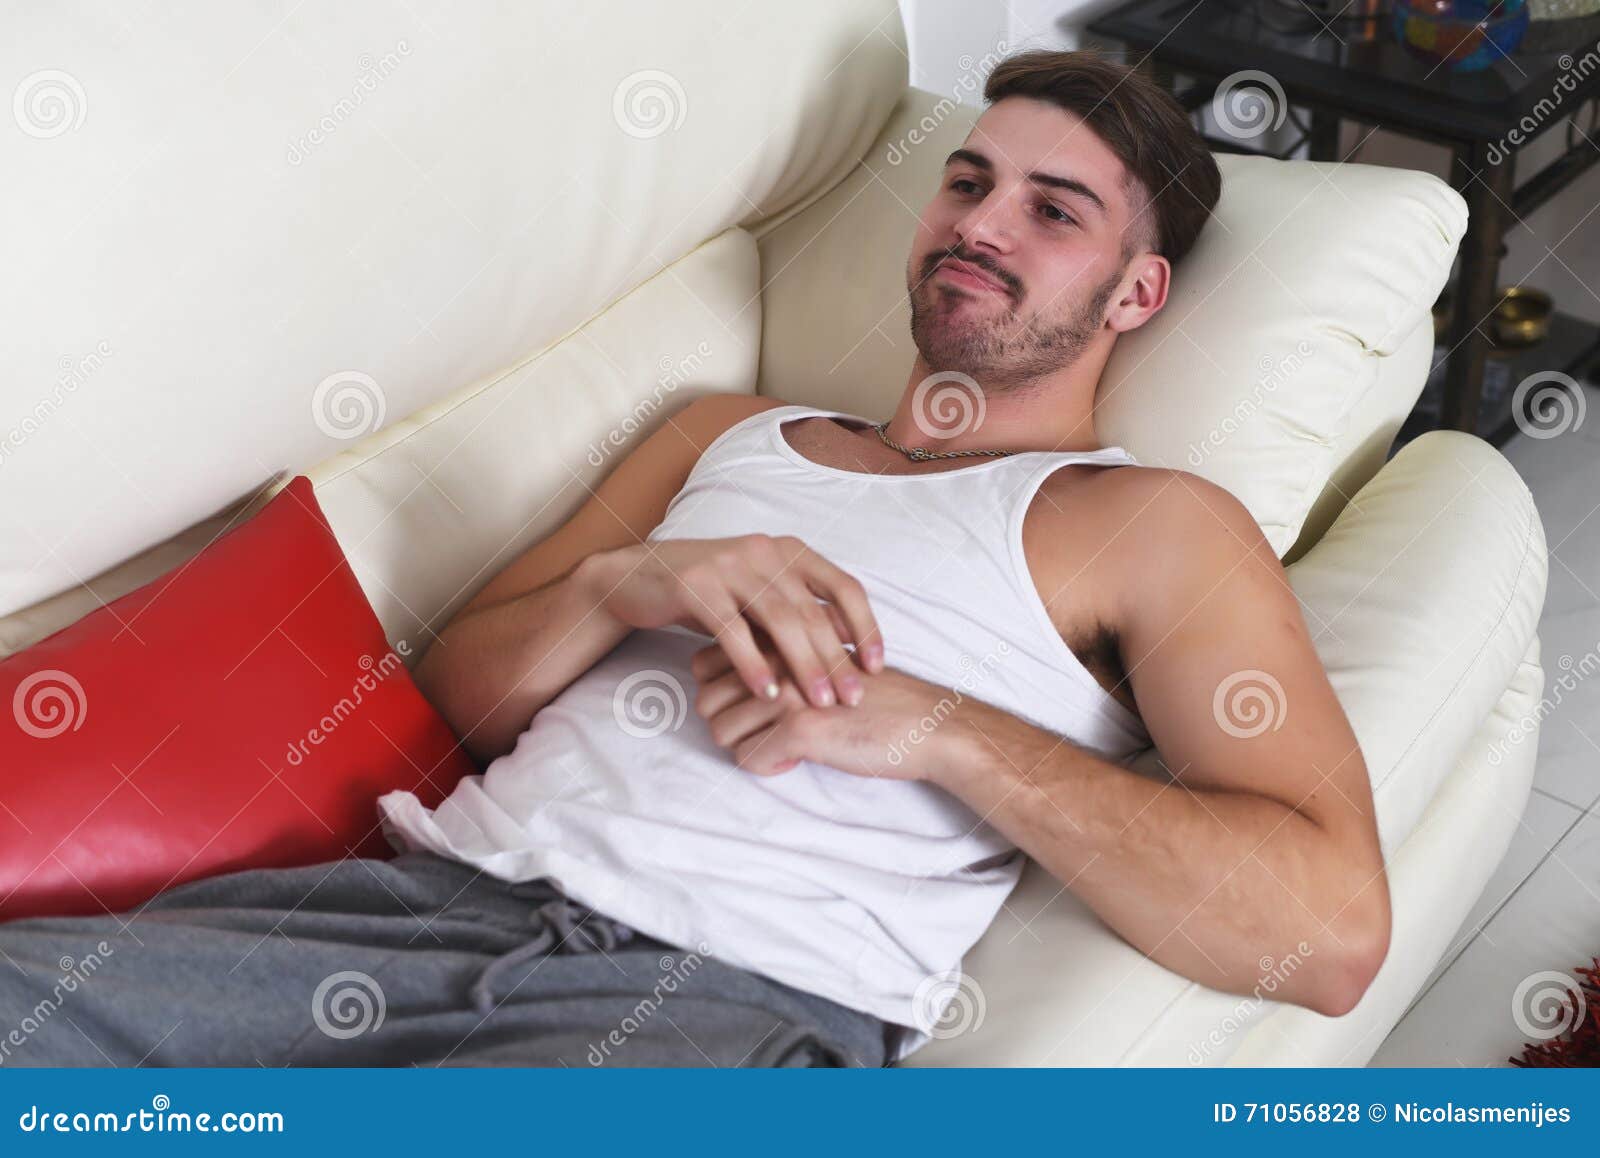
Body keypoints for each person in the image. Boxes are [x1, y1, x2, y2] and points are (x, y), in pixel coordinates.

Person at [0, 49, 1389, 1068]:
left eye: (1053, 209)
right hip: (409, 908)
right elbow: (458, 707)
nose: (979, 222)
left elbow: (1325, 933)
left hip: (714, 999)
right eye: (966, 182)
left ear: (1136, 293)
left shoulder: (1148, 522)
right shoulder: (730, 434)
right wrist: (624, 586)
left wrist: (945, 731)